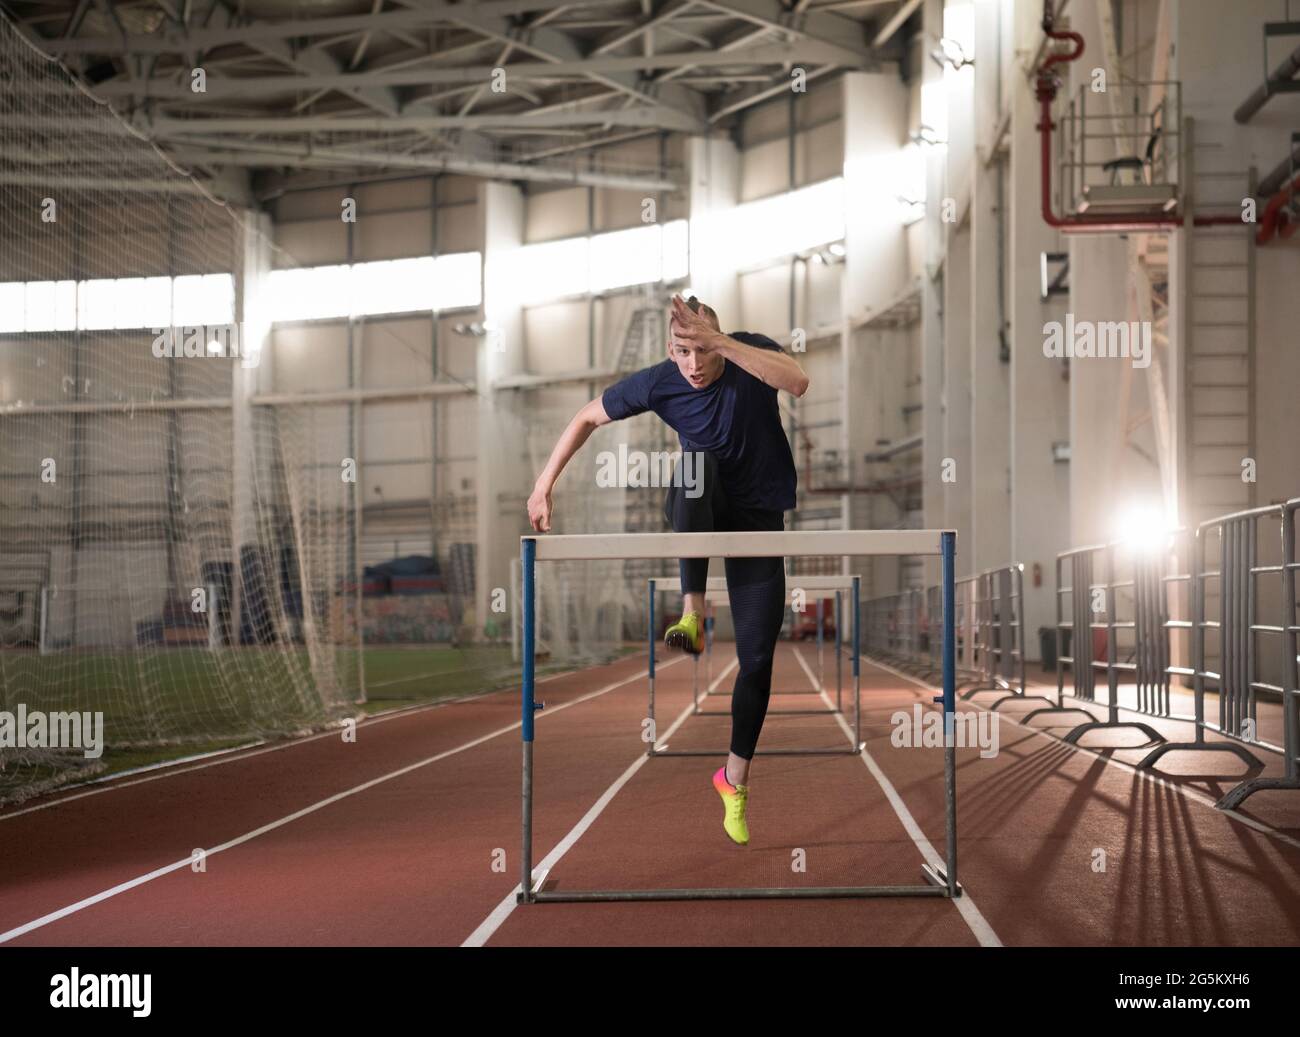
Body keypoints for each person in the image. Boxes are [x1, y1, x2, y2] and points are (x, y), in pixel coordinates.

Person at [527, 294, 807, 845]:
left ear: (721, 343)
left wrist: (725, 343)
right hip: (698, 503)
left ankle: (734, 780)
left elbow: (798, 382)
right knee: (694, 463)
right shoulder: (660, 380)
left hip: (758, 520)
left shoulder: (748, 355)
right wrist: (543, 483)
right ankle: (693, 612)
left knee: (756, 660)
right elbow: (586, 416)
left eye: (704, 351)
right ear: (668, 350)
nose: (695, 365)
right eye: (683, 352)